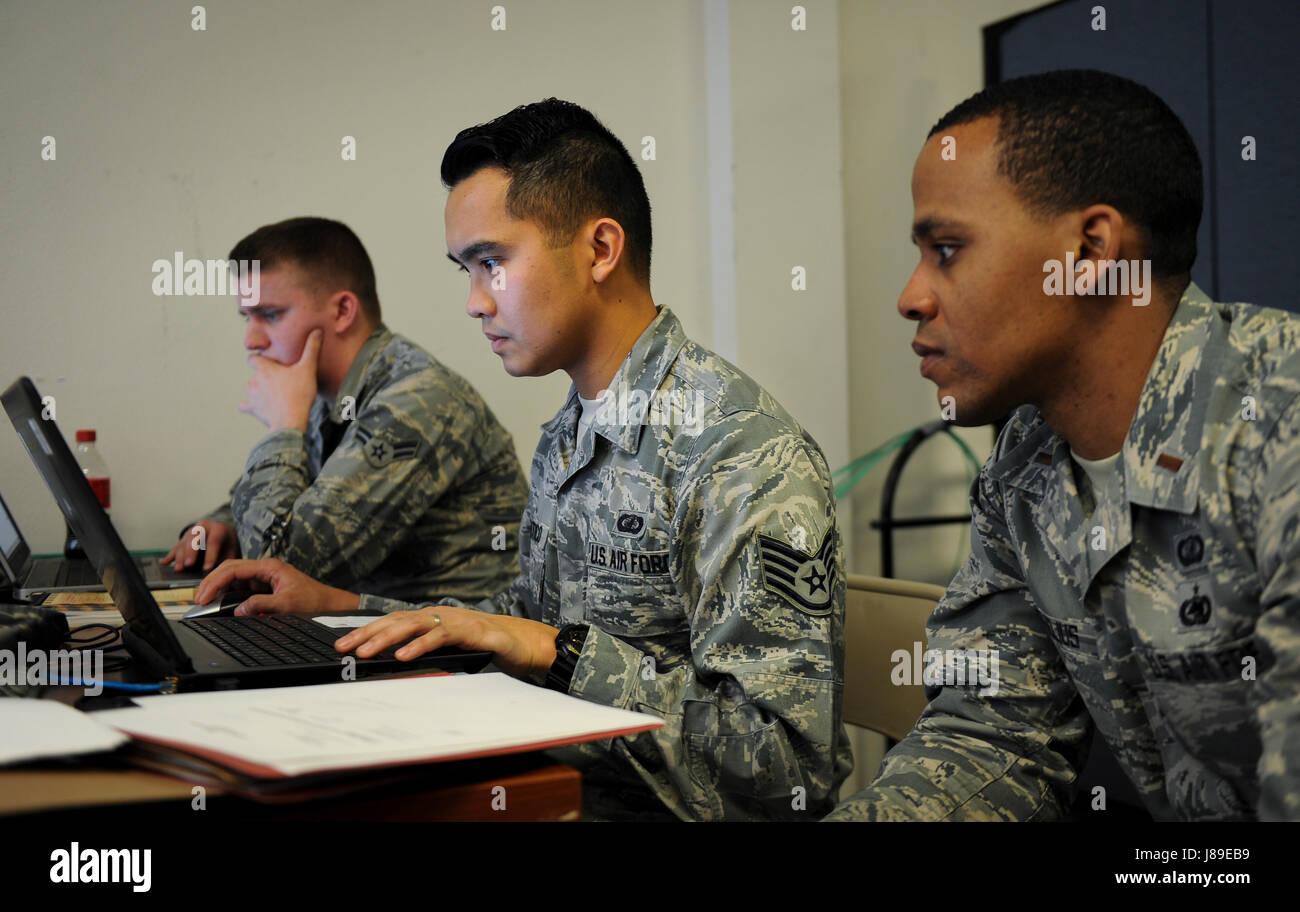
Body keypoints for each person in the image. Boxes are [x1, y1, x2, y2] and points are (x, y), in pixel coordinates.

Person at [197, 100, 853, 821]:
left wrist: (556, 652)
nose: (475, 303)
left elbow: (788, 766)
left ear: (600, 251)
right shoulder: (573, 428)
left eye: (493, 263)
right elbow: (514, 625)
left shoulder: (737, 450)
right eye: (464, 270)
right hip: (549, 792)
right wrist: (348, 608)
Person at [828, 70, 1299, 821]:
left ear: (1089, 249)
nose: (911, 296)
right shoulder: (1027, 461)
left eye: (946, 248)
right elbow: (989, 741)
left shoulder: (1278, 431)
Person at [163, 217, 528, 606]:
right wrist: (224, 522)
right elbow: (298, 498)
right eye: (247, 317)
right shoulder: (330, 392)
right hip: (377, 634)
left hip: (452, 652)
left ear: (341, 311)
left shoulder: (418, 400)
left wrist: (283, 427)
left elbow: (284, 569)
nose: (252, 340)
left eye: (270, 315)